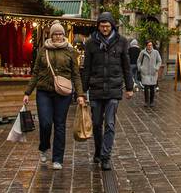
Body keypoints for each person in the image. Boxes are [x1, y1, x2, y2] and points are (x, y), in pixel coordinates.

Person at [22, 21, 85, 170]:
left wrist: (80, 94)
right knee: (45, 123)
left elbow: (76, 75)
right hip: (44, 91)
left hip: (63, 93)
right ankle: (44, 147)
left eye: (60, 34)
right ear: (51, 35)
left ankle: (58, 159)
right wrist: (27, 92)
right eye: (55, 34)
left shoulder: (70, 51)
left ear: (64, 35)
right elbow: (36, 72)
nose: (58, 36)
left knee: (60, 124)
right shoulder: (43, 50)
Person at [80, 11, 134, 170]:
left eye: (107, 26)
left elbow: (126, 66)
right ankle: (98, 150)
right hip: (96, 88)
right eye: (102, 26)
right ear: (98, 27)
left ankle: (105, 157)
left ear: (112, 26)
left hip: (113, 88)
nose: (104, 29)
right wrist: (82, 92)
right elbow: (86, 68)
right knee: (96, 123)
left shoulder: (122, 42)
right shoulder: (91, 43)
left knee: (109, 123)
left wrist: (129, 87)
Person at [137, 39, 162, 105]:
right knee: (146, 87)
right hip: (145, 72)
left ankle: (152, 101)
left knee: (152, 87)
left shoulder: (156, 52)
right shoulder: (142, 52)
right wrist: (140, 68)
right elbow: (139, 61)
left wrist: (156, 68)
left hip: (153, 72)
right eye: (148, 45)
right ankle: (146, 101)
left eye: (151, 45)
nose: (150, 46)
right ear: (146, 46)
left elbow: (159, 61)